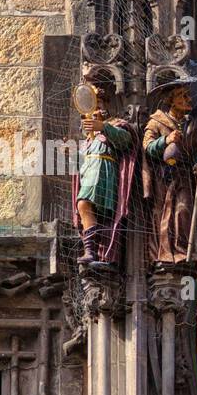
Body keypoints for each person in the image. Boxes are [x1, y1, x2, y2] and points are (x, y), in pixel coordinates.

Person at [142, 78, 197, 265]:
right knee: (167, 213)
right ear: (171, 100)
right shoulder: (156, 121)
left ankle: (182, 250)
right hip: (164, 177)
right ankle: (166, 253)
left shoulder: (191, 125)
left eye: (188, 95)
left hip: (185, 175)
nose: (188, 99)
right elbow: (147, 147)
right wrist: (166, 140)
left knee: (184, 210)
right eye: (182, 96)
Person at [73, 86, 136, 268]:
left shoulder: (115, 125)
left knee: (83, 204)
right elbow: (81, 162)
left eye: (98, 104)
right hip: (89, 173)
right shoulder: (89, 139)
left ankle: (91, 251)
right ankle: (91, 251)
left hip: (103, 173)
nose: (95, 110)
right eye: (93, 105)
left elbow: (126, 140)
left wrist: (104, 127)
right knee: (86, 208)